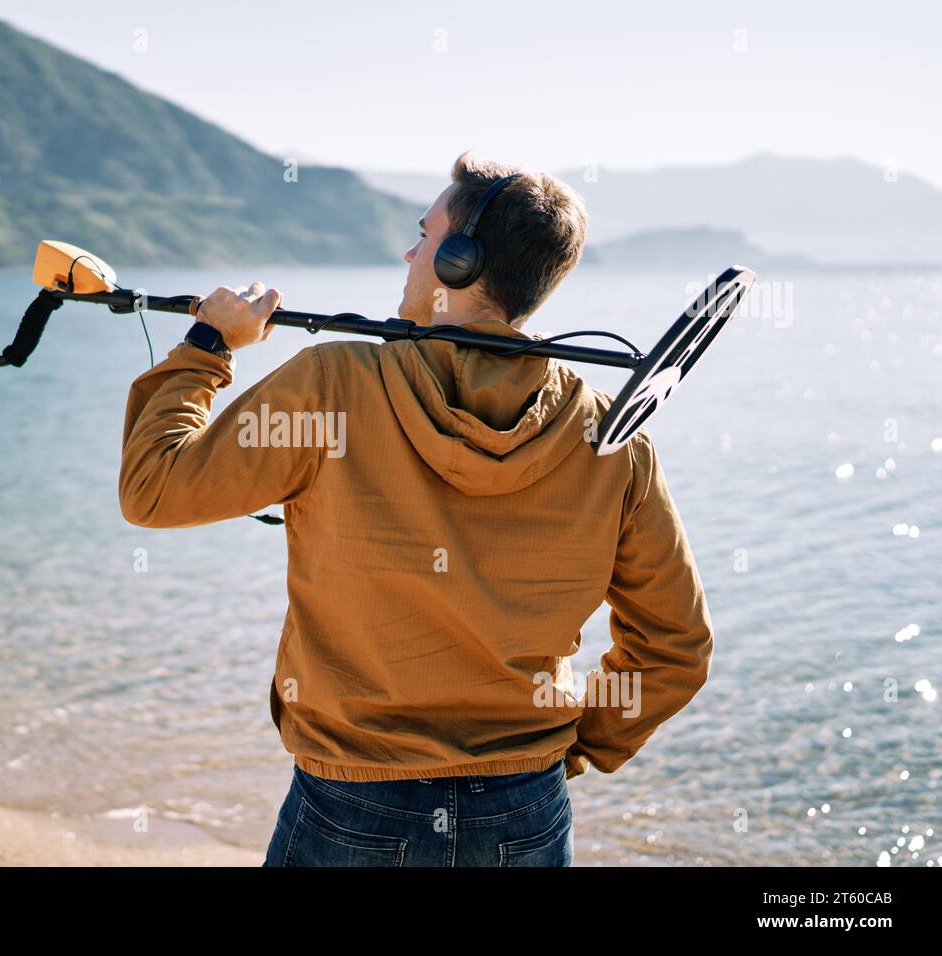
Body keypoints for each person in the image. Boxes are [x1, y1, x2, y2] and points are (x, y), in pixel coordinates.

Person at [118, 151, 714, 867]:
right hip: (524, 808)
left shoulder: (332, 387)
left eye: (425, 234)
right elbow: (674, 647)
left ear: (459, 261)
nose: (410, 250)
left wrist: (208, 345)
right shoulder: (610, 436)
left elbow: (154, 489)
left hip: (354, 803)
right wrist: (570, 749)